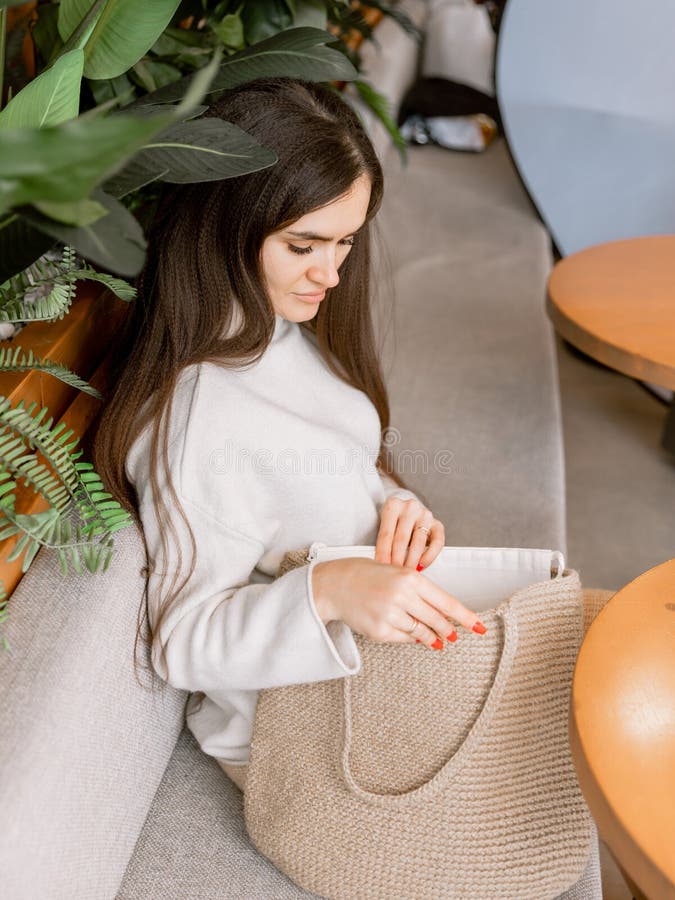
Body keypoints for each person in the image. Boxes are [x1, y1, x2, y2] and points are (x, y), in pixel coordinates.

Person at [91, 77, 485, 794]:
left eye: (345, 242)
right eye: (304, 244)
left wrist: (393, 504)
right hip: (313, 743)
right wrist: (328, 590)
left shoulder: (277, 328)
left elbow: (333, 461)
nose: (331, 273)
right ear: (225, 223)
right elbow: (183, 641)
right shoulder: (197, 418)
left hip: (374, 667)